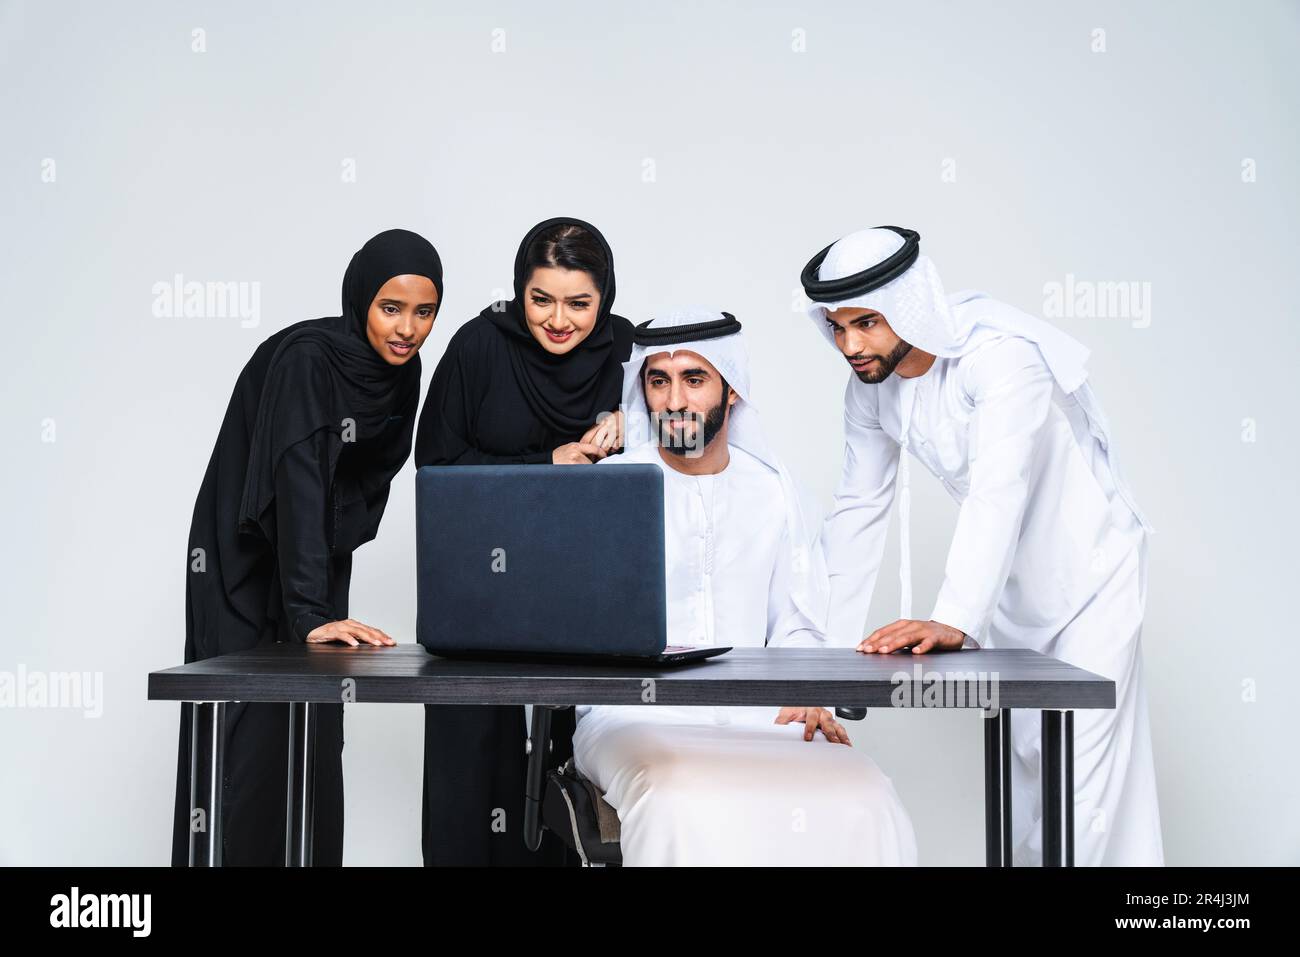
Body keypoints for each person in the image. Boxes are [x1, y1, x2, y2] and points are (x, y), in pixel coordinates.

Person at [802, 225, 1163, 865]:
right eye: (837, 327)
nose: (850, 345)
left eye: (866, 323)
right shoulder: (869, 390)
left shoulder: (1000, 358)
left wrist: (952, 620)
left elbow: (1000, 487)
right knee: (1029, 794)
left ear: (909, 306)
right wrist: (824, 666)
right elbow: (858, 509)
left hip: (1092, 584)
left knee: (1081, 795)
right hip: (1006, 598)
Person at [572, 306, 918, 866]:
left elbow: (798, 621)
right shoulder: (600, 490)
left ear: (731, 391)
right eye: (658, 381)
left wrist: (807, 691)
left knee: (865, 796)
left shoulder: (773, 492)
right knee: (679, 797)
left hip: (763, 713)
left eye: (694, 379)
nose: (676, 400)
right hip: (634, 714)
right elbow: (565, 628)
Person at [171, 228, 444, 865]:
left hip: (313, 558)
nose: (408, 329)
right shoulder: (310, 358)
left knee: (314, 733)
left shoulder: (402, 374)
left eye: (425, 311)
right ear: (360, 301)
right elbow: (295, 475)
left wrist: (315, 601)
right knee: (246, 738)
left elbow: (360, 480)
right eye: (391, 308)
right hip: (243, 560)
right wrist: (307, 613)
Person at [414, 217, 633, 865]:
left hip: (581, 592)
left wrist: (636, 422)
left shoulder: (628, 352)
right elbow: (435, 468)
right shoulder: (479, 346)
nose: (558, 319)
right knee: (469, 761)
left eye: (578, 302)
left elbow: (683, 449)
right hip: (477, 588)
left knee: (571, 765)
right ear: (519, 290)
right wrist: (548, 464)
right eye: (541, 299)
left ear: (606, 297)